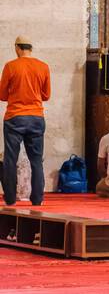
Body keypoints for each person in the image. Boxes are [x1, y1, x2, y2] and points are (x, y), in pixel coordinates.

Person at [0, 36, 51, 207]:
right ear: (30, 47)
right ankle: (37, 199)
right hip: (36, 117)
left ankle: (10, 198)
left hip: (15, 117)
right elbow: (46, 95)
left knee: (10, 159)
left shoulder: (10, 66)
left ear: (17, 48)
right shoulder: (43, 66)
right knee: (36, 160)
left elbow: (2, 95)